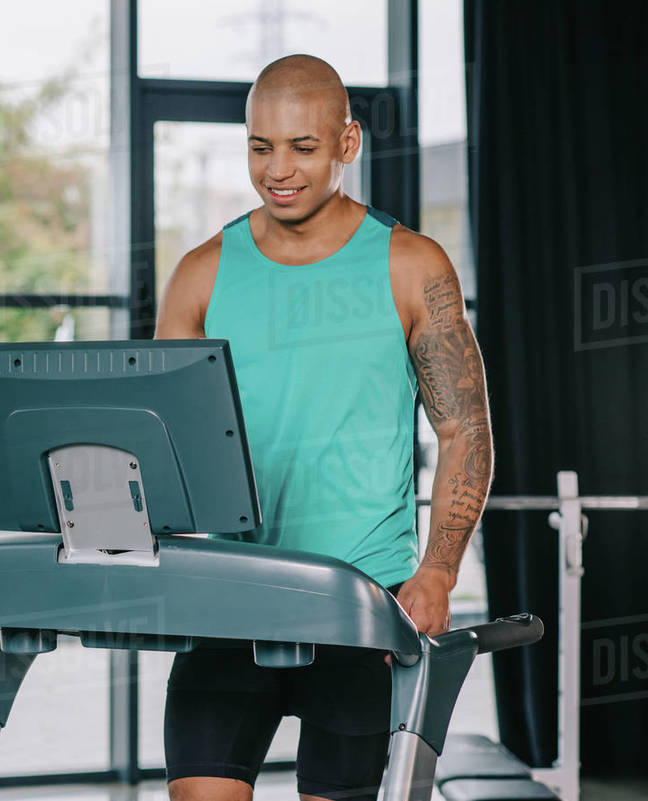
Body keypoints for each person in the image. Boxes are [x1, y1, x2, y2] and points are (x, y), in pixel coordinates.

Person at [154, 54, 493, 801]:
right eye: (260, 146)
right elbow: (166, 442)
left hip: (363, 602)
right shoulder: (200, 274)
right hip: (235, 594)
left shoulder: (412, 265)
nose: (279, 169)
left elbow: (466, 427)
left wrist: (438, 570)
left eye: (303, 147)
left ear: (348, 143)